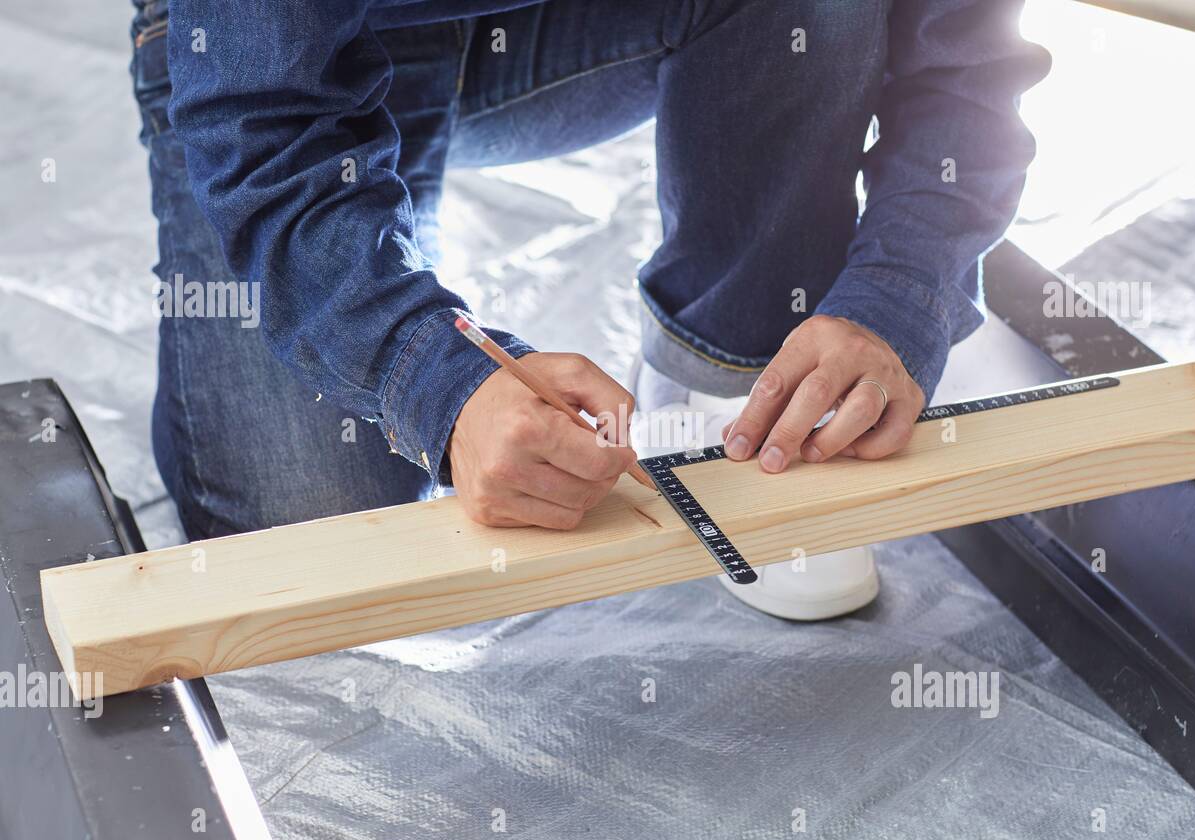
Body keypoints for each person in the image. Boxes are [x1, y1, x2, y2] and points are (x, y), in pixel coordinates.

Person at [130, 0, 1049, 620]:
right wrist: (435, 378)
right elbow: (264, 122)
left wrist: (900, 294)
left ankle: (733, 384)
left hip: (563, 22)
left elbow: (966, 59)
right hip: (275, 55)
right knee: (309, 537)